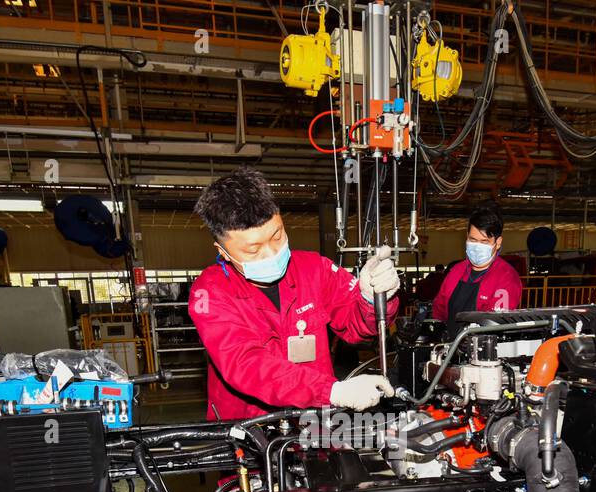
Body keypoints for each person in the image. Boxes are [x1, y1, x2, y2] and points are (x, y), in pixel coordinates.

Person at [188, 167, 400, 418]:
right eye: (253, 250)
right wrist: (331, 391)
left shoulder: (314, 269)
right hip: (250, 429)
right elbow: (246, 364)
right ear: (223, 251)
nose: (271, 253)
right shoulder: (210, 293)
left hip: (317, 424)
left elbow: (358, 328)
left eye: (277, 236)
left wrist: (372, 297)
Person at [431, 203, 523, 333]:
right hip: (449, 346)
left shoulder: (506, 277)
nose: (477, 246)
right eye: (473, 239)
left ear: (498, 243)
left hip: (482, 349)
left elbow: (496, 324)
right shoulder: (456, 271)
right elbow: (438, 311)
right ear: (467, 236)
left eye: (484, 241)